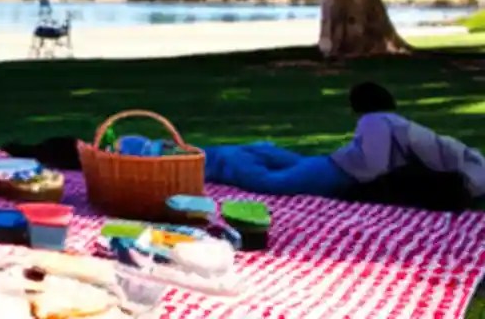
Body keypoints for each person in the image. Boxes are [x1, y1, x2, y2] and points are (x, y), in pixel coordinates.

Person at [204, 81, 485, 201]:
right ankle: (225, 157)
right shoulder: (385, 121)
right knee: (279, 177)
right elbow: (374, 166)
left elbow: (373, 166)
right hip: (334, 169)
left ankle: (221, 156)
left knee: (273, 174)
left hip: (336, 169)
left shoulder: (377, 120)